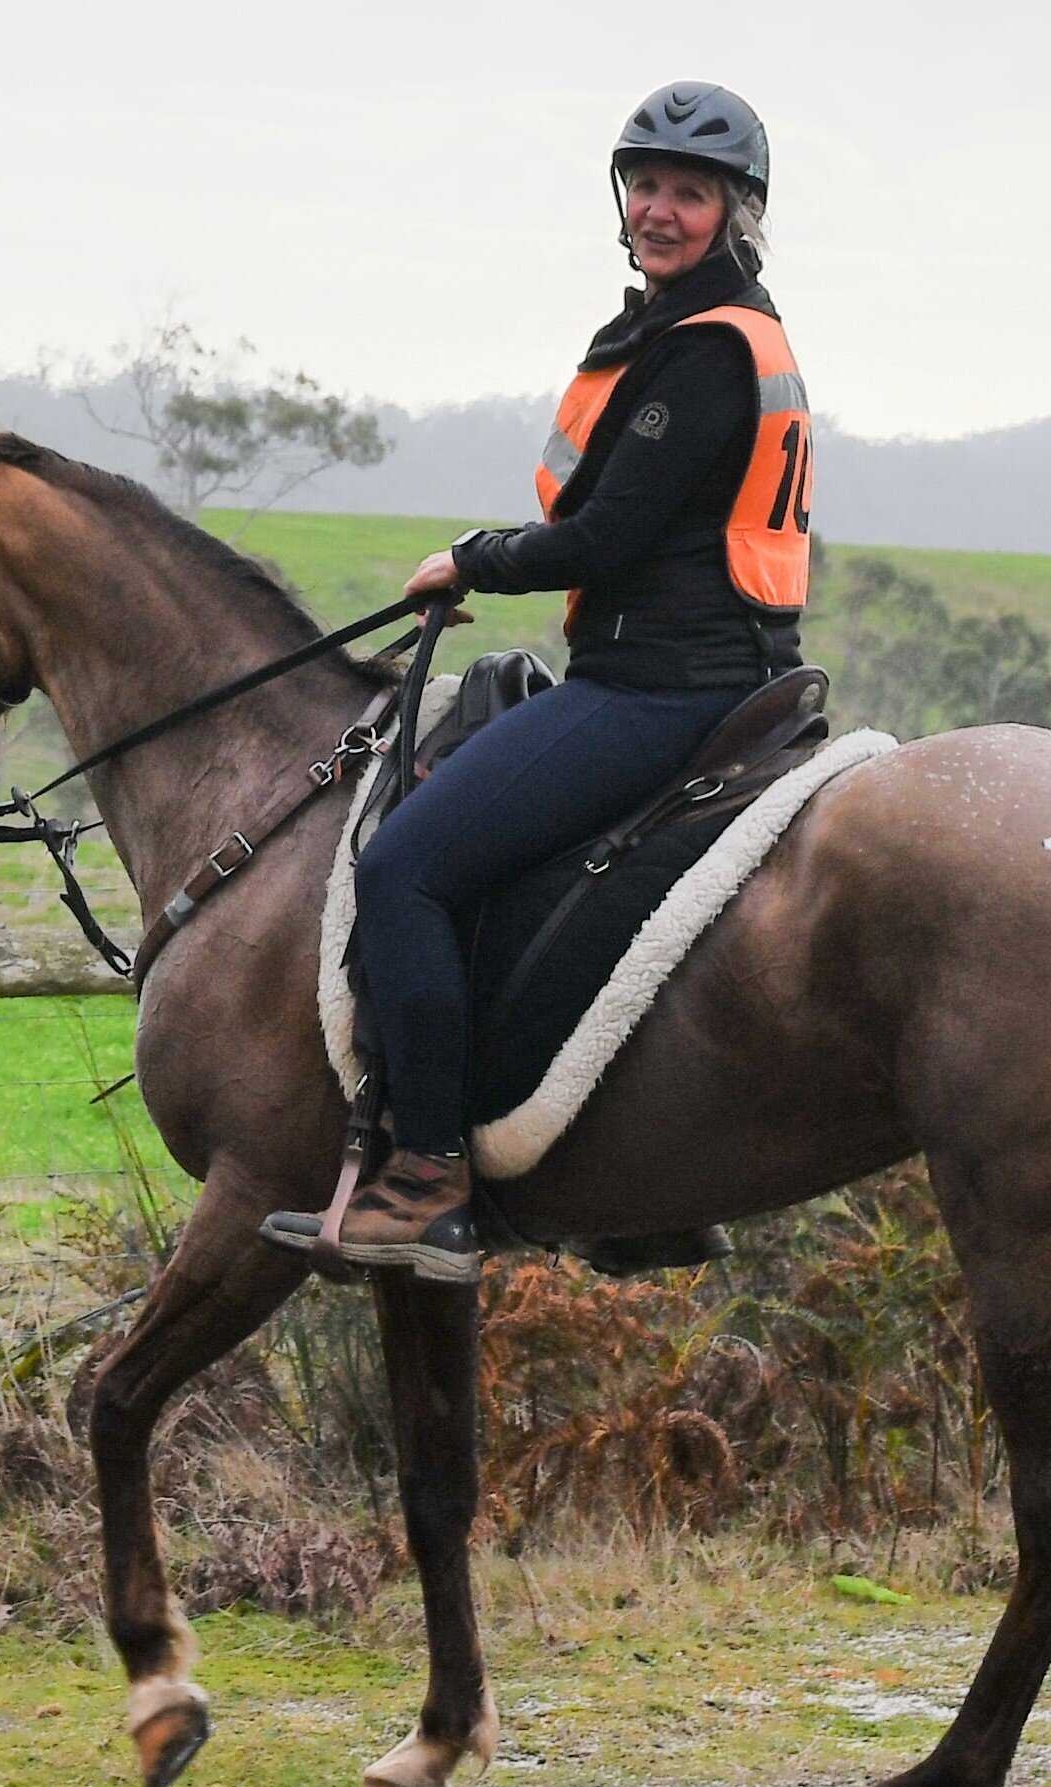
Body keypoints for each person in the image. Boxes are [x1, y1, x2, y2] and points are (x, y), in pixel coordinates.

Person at [264, 80, 814, 1284]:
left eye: (689, 193)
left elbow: (608, 535)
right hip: (714, 672)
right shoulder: (709, 331)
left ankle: (427, 1177)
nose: (658, 209)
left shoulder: (704, 352)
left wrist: (471, 561)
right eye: (645, 185)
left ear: (735, 214)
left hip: (657, 686)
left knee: (404, 867)